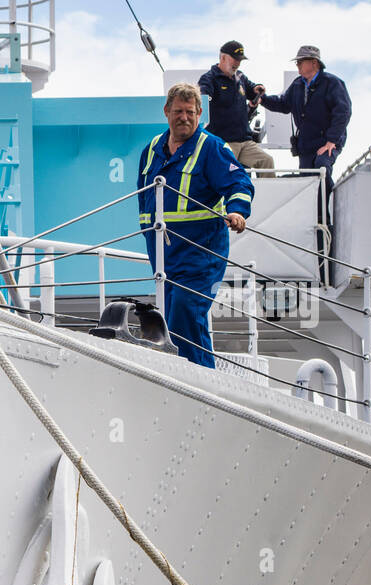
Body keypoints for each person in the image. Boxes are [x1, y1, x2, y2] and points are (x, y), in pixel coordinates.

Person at [138, 83, 254, 368]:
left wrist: (237, 211)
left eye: (190, 112)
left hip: (201, 254)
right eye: (178, 111)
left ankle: (197, 379)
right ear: (167, 112)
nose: (184, 118)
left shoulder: (211, 147)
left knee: (186, 313)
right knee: (174, 320)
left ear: (199, 113)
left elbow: (239, 182)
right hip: (165, 257)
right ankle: (202, 376)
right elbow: (144, 201)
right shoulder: (152, 150)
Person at [260, 45, 352, 193]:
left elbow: (343, 112)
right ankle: (313, 213)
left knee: (322, 168)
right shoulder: (297, 84)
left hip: (326, 142)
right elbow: (283, 104)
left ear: (314, 63)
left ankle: (325, 213)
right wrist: (262, 100)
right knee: (307, 179)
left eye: (300, 62)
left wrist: (331, 141)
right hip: (306, 144)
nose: (297, 65)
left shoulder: (332, 83)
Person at [198, 40, 273, 170]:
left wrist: (257, 88)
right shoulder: (209, 79)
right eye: (235, 59)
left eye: (240, 60)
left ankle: (269, 191)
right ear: (223, 57)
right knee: (229, 173)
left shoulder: (240, 77)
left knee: (266, 161)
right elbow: (201, 100)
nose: (237, 64)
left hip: (245, 141)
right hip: (223, 142)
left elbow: (252, 88)